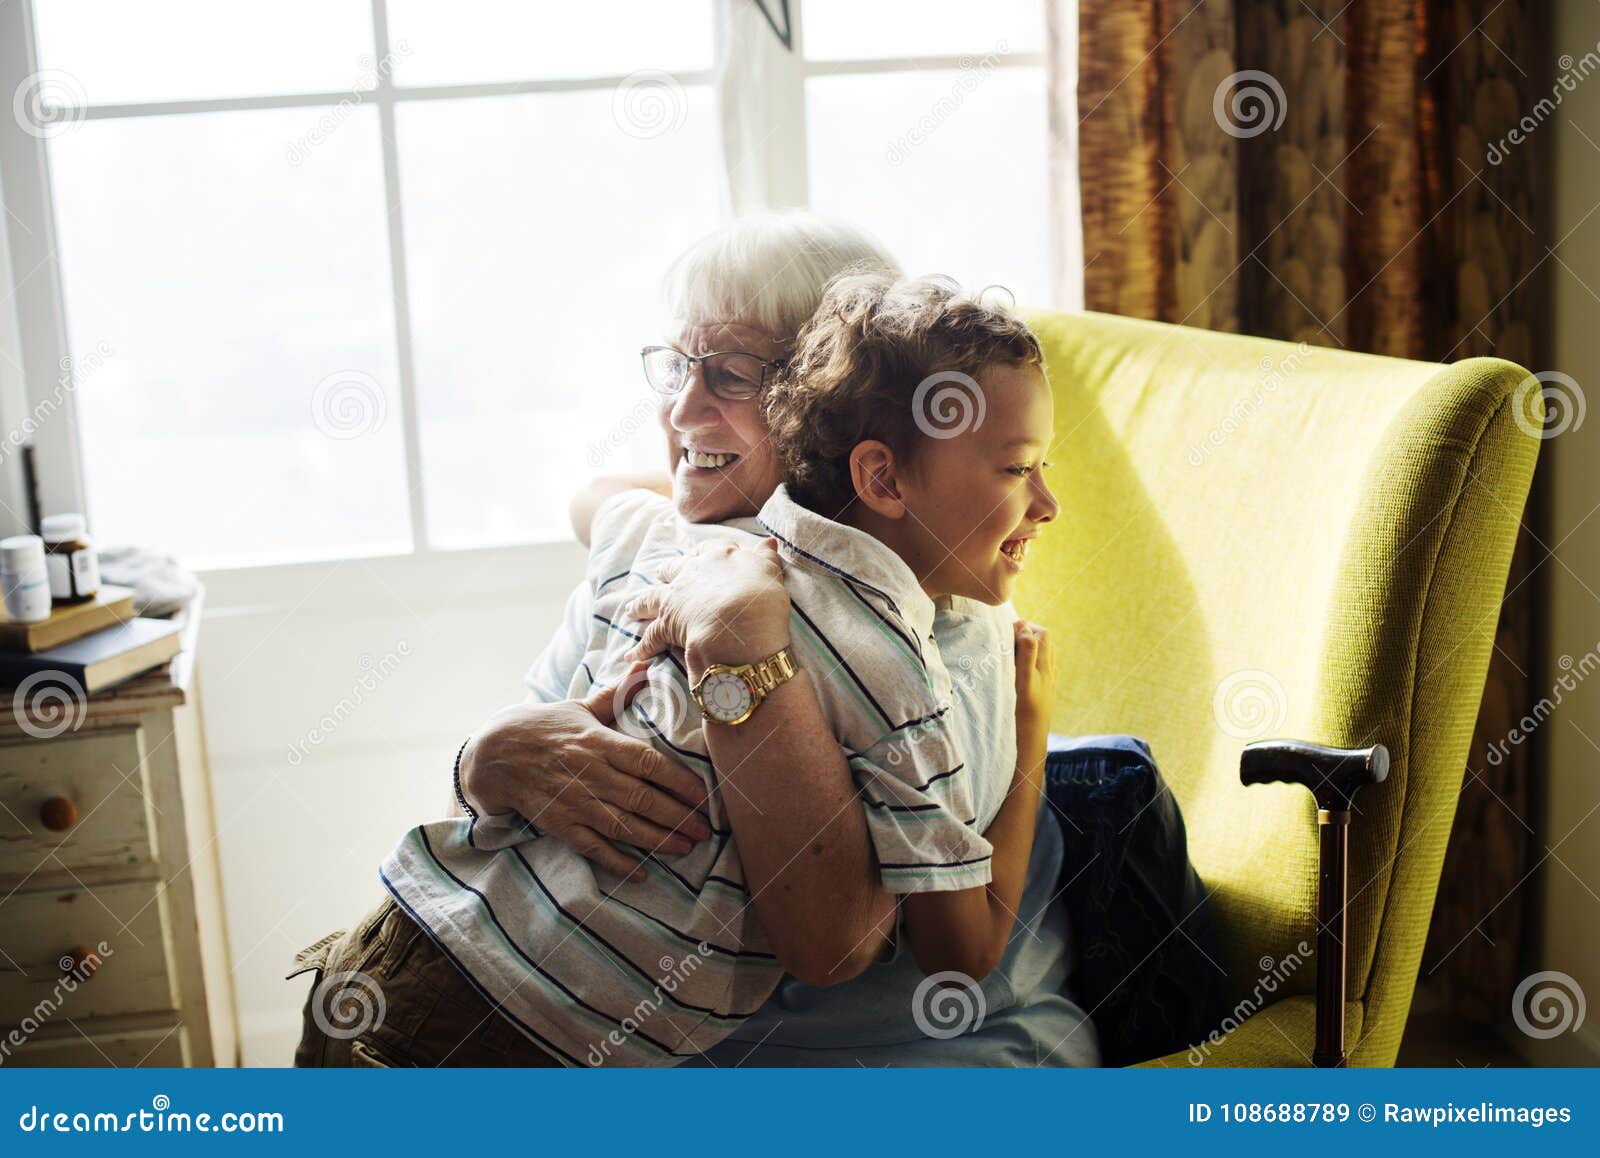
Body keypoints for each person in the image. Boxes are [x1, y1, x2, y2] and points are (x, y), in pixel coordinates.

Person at [291, 213, 1100, 1068]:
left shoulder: (930, 640)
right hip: (440, 967)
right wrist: (482, 759)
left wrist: (737, 645)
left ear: (827, 401)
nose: (680, 408)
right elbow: (511, 819)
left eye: (732, 375)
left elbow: (846, 943)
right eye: (677, 365)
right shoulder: (664, 544)